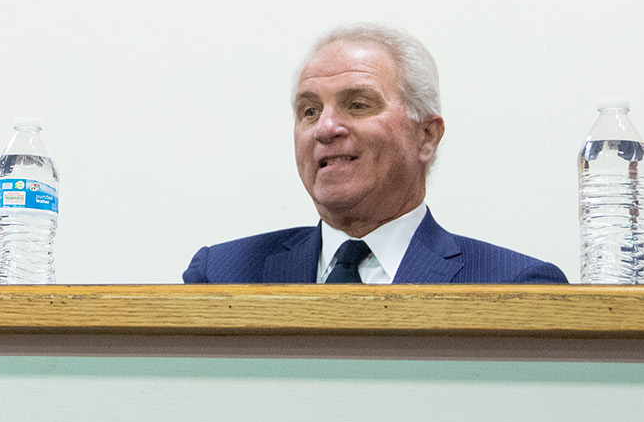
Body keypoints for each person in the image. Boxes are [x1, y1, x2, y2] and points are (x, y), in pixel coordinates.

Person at [182, 24, 566, 285]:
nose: (326, 128)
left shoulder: (512, 285)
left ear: (427, 137)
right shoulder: (223, 275)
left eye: (358, 105)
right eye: (309, 111)